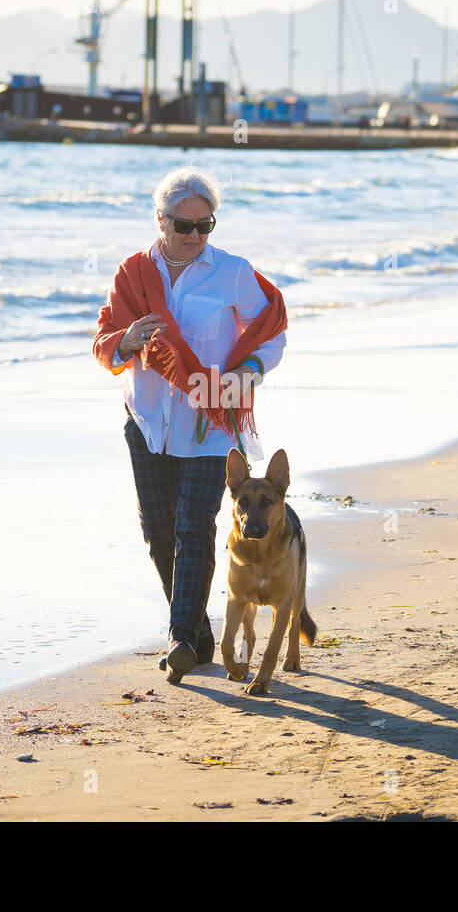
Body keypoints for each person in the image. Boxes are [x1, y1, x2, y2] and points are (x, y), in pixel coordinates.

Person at [92, 166, 288, 682]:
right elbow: (103, 344)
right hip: (149, 420)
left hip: (212, 419)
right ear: (160, 221)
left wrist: (248, 373)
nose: (196, 237)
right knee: (159, 534)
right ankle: (199, 636)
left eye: (206, 226)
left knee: (194, 527)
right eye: (184, 226)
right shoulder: (132, 273)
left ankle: (179, 638)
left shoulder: (232, 272)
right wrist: (128, 340)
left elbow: (270, 332)